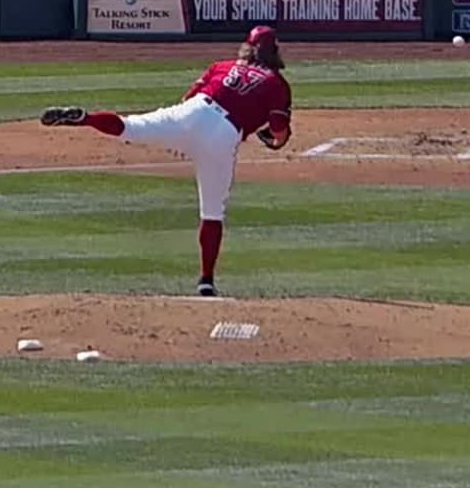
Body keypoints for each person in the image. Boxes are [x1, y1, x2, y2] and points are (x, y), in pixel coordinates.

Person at [41, 25, 292, 296]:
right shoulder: (277, 84)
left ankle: (86, 118)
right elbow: (278, 129)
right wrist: (279, 140)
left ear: (247, 47)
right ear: (274, 51)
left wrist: (179, 136)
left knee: (131, 125)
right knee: (212, 211)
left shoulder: (221, 66)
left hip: (193, 111)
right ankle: (206, 281)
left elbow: (189, 98)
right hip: (223, 134)